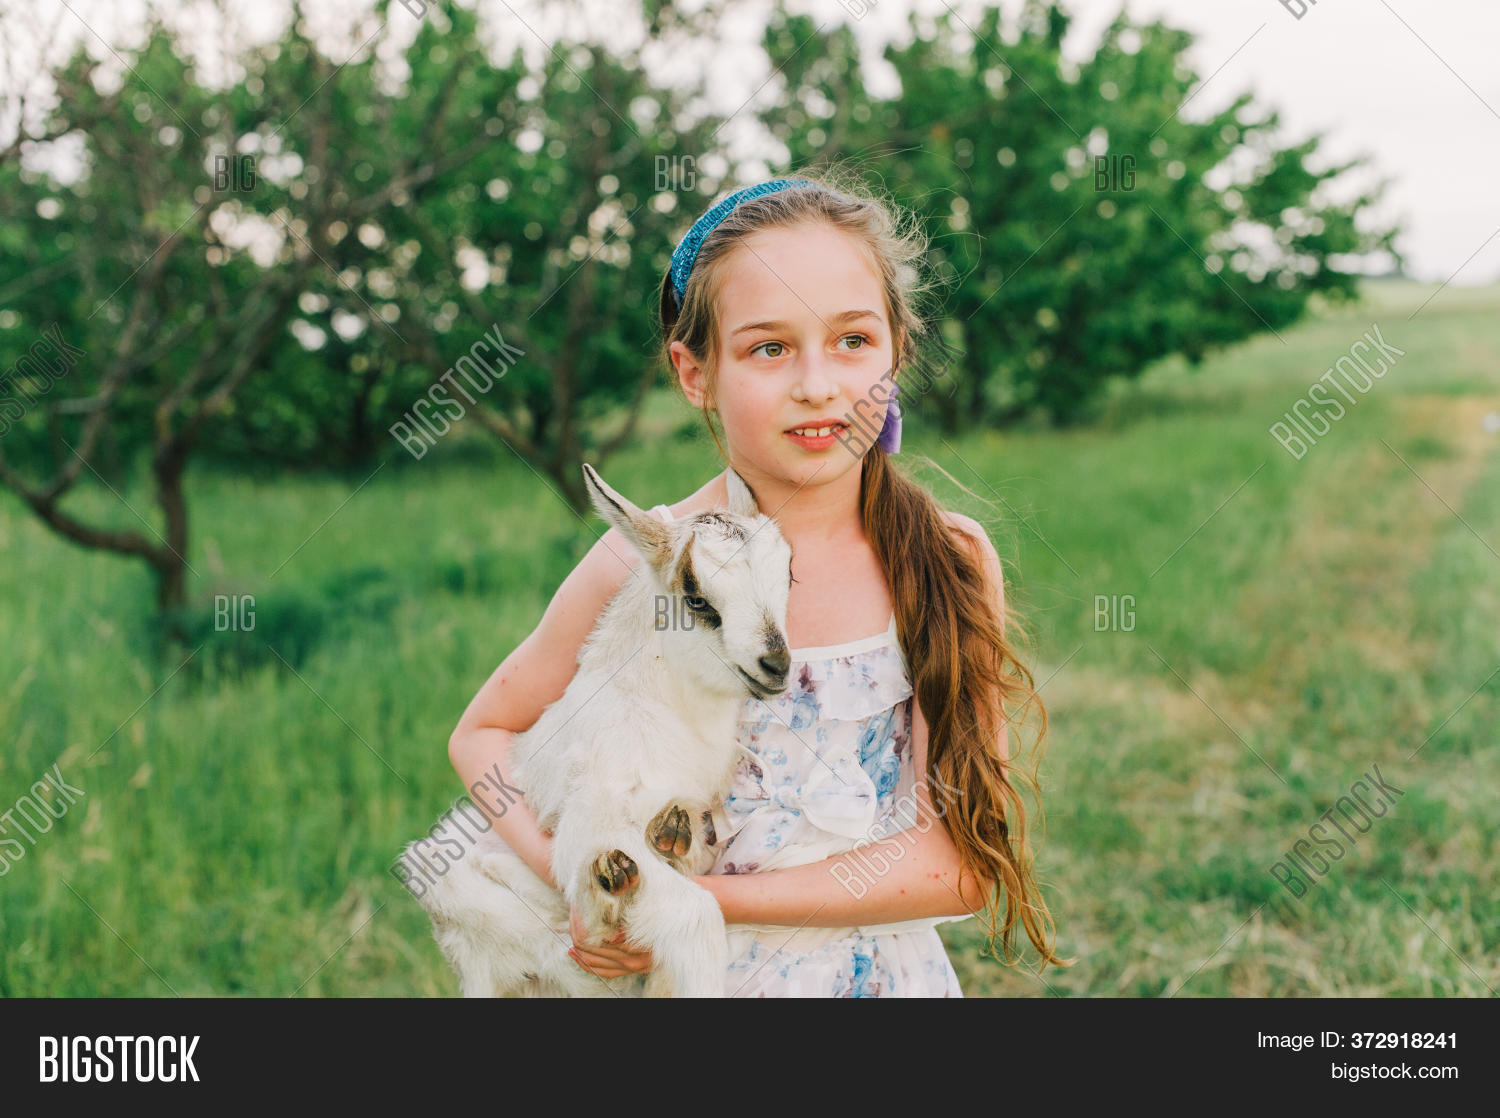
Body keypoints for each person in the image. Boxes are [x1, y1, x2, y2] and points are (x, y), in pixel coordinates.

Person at [448, 167, 1064, 996]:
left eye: (853, 340)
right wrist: (587, 878)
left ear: (897, 350)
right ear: (693, 372)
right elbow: (482, 733)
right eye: (769, 348)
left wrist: (702, 900)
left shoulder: (948, 558)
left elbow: (955, 867)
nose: (819, 384)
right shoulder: (648, 564)